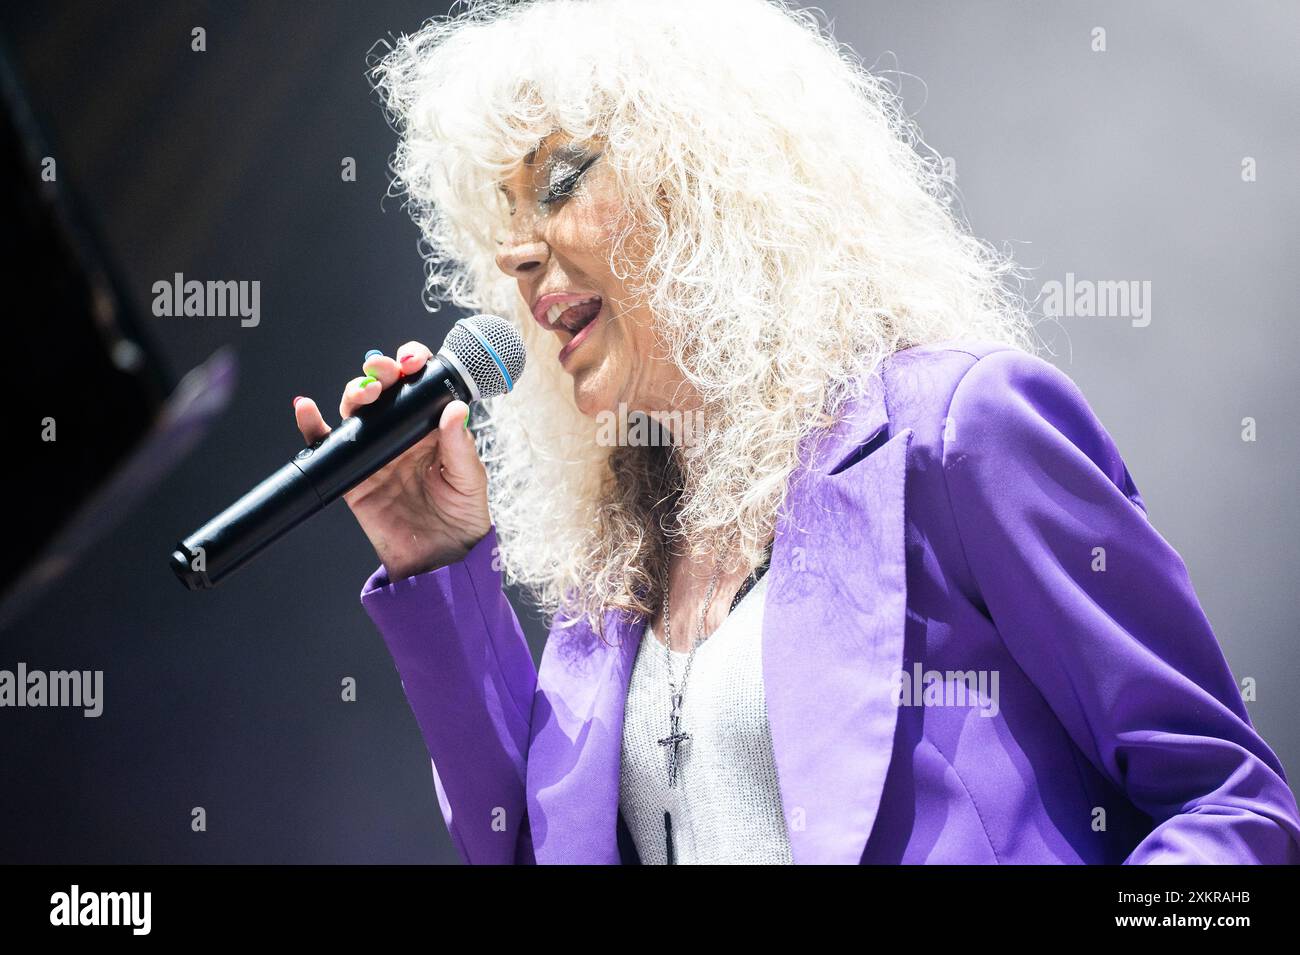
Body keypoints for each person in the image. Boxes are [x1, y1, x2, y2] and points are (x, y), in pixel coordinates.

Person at [291, 0, 1300, 863]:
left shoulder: (955, 435)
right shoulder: (617, 560)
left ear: (706, 173)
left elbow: (1233, 813)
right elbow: (525, 841)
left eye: (557, 184)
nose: (514, 253)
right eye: (499, 216)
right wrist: (438, 561)